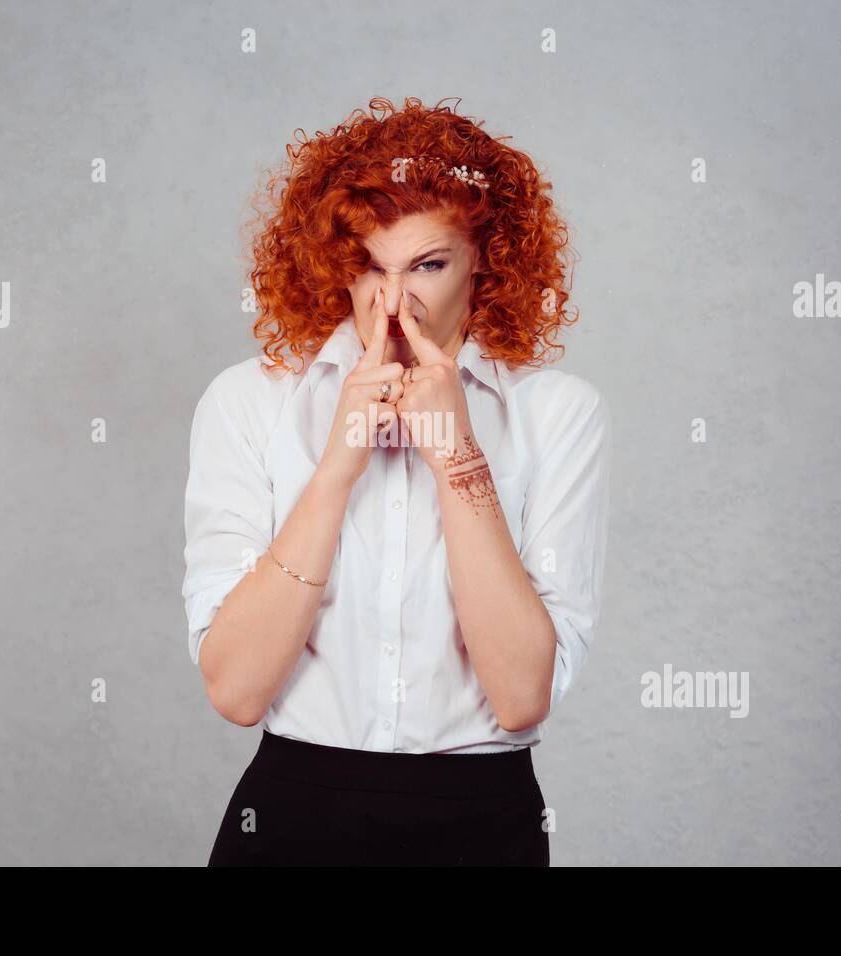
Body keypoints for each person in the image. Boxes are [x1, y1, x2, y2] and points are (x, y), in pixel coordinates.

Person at [182, 96, 612, 865]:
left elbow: (519, 696)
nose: (393, 301)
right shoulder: (249, 401)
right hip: (292, 819)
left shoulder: (559, 415)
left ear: (485, 258)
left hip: (482, 823)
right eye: (367, 268)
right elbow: (238, 691)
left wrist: (455, 452)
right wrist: (338, 465)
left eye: (428, 265)